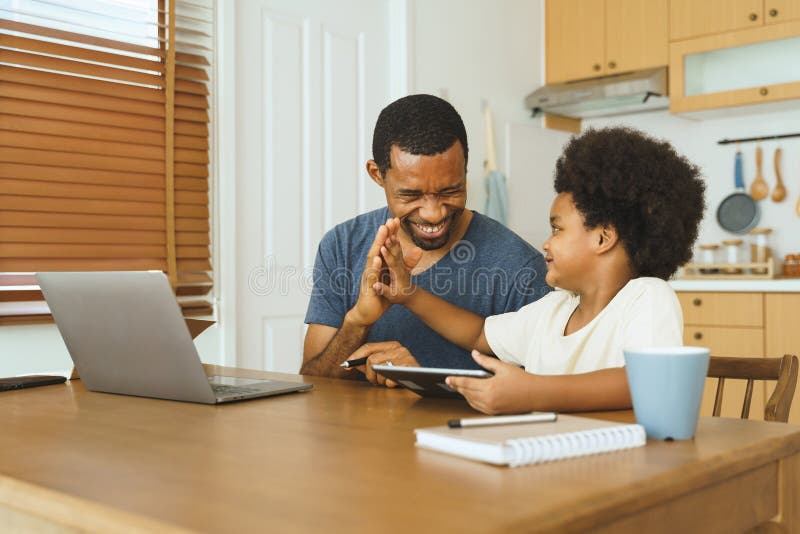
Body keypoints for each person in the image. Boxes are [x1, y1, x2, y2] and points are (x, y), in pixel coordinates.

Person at [365, 126, 706, 413]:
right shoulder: (554, 309)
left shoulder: (646, 297)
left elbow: (643, 382)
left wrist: (530, 392)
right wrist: (409, 295)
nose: (546, 243)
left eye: (557, 229)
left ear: (603, 237)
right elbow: (479, 334)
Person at [300, 94, 550, 383]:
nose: (433, 214)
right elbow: (313, 382)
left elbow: (540, 395)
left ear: (465, 169)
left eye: (450, 191)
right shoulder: (342, 246)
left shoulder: (520, 266)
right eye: (411, 194)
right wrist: (358, 321)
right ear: (377, 175)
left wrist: (420, 382)